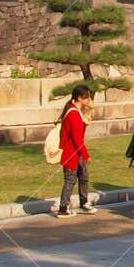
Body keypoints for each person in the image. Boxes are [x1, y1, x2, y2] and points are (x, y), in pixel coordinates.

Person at [55, 85, 97, 215]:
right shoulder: (73, 113)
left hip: (76, 152)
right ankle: (63, 207)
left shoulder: (76, 110)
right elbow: (77, 138)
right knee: (70, 179)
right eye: (87, 97)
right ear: (80, 98)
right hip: (71, 152)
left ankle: (83, 202)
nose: (89, 100)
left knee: (83, 176)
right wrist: (86, 154)